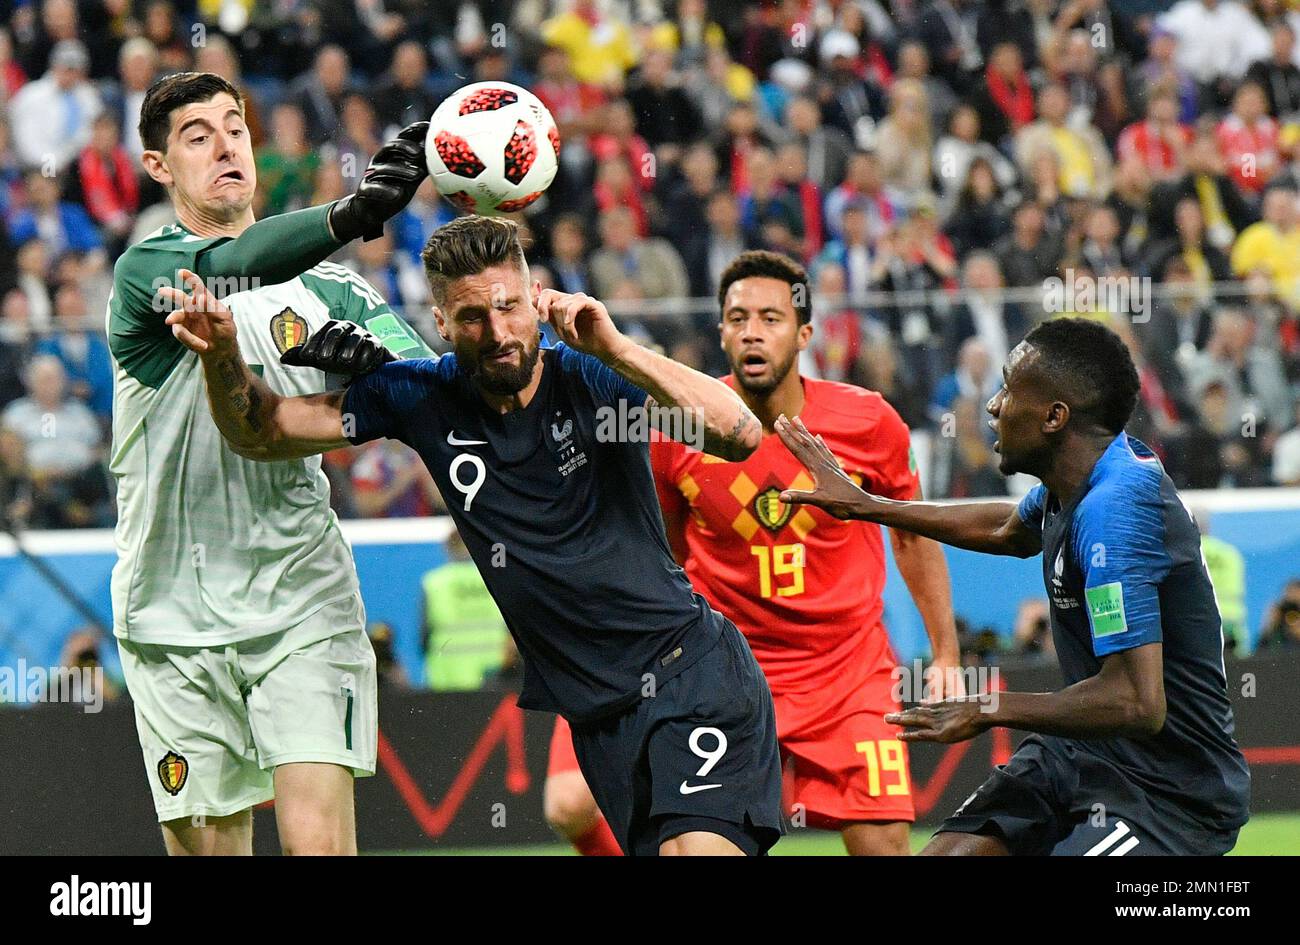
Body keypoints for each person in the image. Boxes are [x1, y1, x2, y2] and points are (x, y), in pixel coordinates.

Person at [160, 214, 785, 857]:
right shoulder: (422, 397)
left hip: (690, 676)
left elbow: (737, 434)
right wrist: (222, 355)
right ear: (439, 323)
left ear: (535, 299)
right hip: (598, 719)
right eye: (471, 318)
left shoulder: (592, 378)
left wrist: (616, 347)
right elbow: (262, 429)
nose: (497, 333)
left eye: (509, 307)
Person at [774, 317, 1251, 855]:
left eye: (1007, 389)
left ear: (1054, 417)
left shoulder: (1116, 508)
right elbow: (1007, 528)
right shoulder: (1076, 481)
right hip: (1078, 754)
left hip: (1167, 793)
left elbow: (1137, 702)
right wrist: (870, 508)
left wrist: (987, 708)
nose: (994, 405)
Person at [108, 71, 433, 856]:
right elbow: (240, 262)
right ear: (159, 166)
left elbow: (437, 399)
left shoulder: (336, 293)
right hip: (172, 614)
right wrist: (351, 212)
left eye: (235, 127)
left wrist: (380, 383)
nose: (225, 145)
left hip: (301, 598)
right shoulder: (151, 274)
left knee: (318, 845)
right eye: (198, 135)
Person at [545, 250, 962, 856]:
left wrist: (947, 653)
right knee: (576, 807)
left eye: (770, 317)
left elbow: (913, 535)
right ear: (720, 331)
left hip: (845, 670)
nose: (752, 331)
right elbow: (664, 551)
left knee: (885, 846)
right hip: (722, 667)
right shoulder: (679, 425)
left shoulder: (869, 422)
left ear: (804, 333)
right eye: (737, 317)